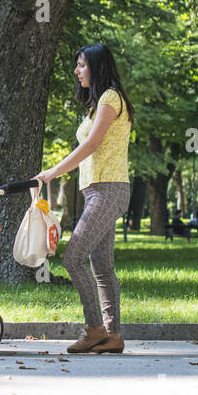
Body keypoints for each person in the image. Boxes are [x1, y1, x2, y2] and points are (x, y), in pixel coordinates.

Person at [32, 43, 134, 354]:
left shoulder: (110, 97)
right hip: (98, 190)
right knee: (101, 265)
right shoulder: (99, 102)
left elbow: (91, 145)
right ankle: (113, 335)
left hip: (109, 189)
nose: (77, 71)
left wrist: (52, 172)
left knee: (73, 257)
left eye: (81, 65)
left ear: (97, 66)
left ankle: (94, 329)